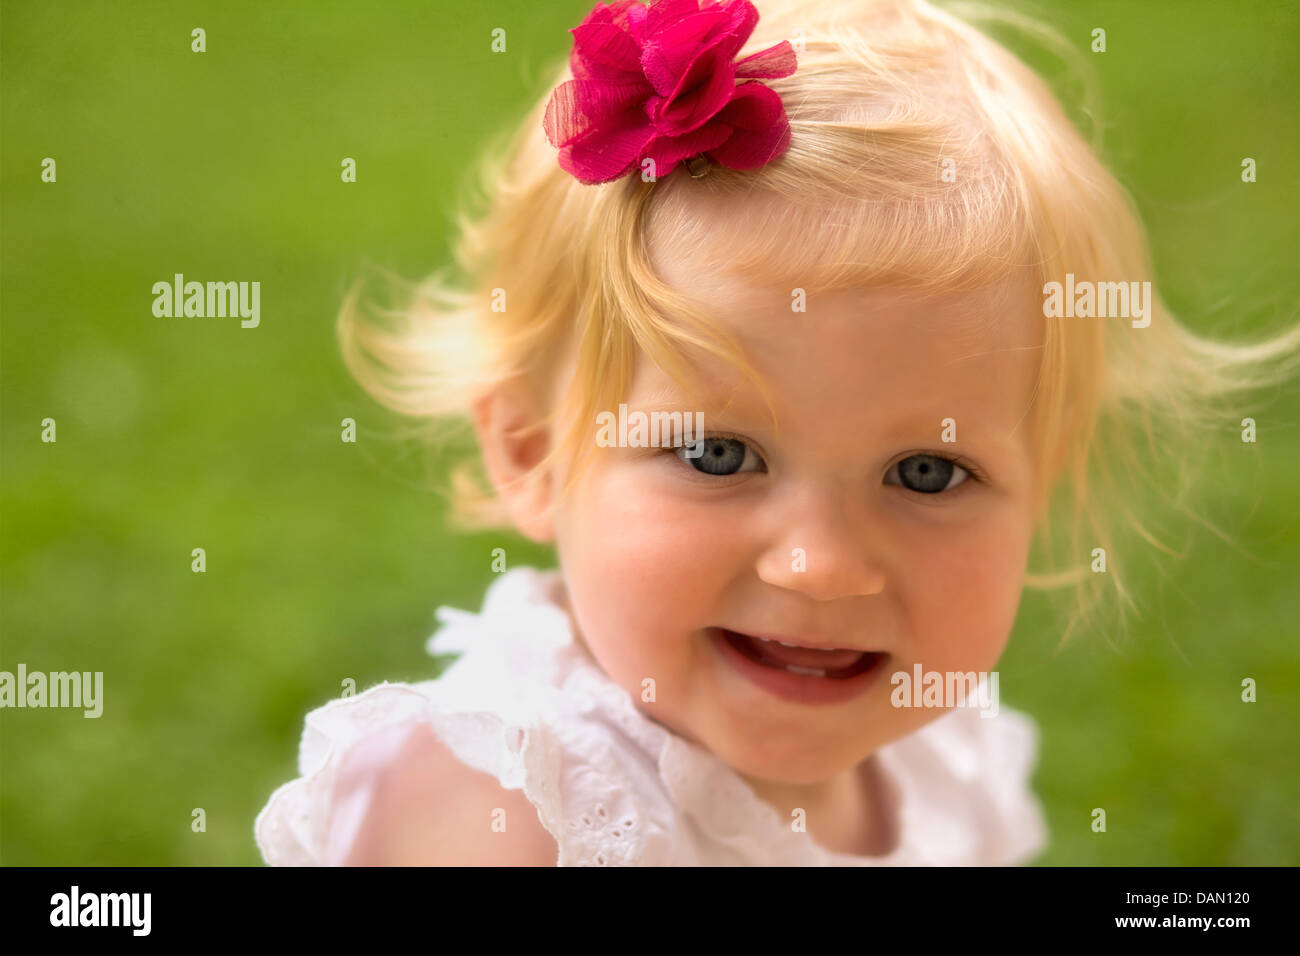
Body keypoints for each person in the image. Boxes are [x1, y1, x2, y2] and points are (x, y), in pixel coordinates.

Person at [254, 0, 1300, 866]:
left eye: (927, 470)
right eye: (717, 454)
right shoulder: (503, 802)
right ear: (531, 449)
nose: (821, 565)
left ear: (1042, 482)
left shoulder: (942, 755)